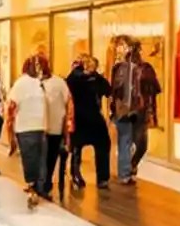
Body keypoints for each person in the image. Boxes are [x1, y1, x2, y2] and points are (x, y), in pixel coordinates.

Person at [110, 38, 161, 185]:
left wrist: (152, 113)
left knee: (141, 144)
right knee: (125, 142)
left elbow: (153, 93)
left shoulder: (146, 69)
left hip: (140, 110)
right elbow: (114, 91)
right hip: (124, 110)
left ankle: (131, 166)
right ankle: (124, 173)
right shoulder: (119, 68)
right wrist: (113, 109)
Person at [8, 54, 52, 207]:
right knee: (41, 158)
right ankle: (40, 187)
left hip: (24, 127)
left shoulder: (20, 84)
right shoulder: (40, 84)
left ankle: (33, 186)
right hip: (40, 126)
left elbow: (11, 106)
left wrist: (10, 128)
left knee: (29, 158)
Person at [66, 55, 112, 189]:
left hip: (78, 118)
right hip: (94, 118)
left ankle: (75, 174)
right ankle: (102, 178)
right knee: (103, 144)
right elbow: (108, 90)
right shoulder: (95, 78)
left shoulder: (73, 78)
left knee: (76, 147)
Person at [41, 62, 72, 198]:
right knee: (41, 157)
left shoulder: (59, 83)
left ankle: (46, 184)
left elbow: (68, 102)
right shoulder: (33, 83)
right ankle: (40, 184)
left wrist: (68, 125)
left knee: (50, 157)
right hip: (39, 127)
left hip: (55, 127)